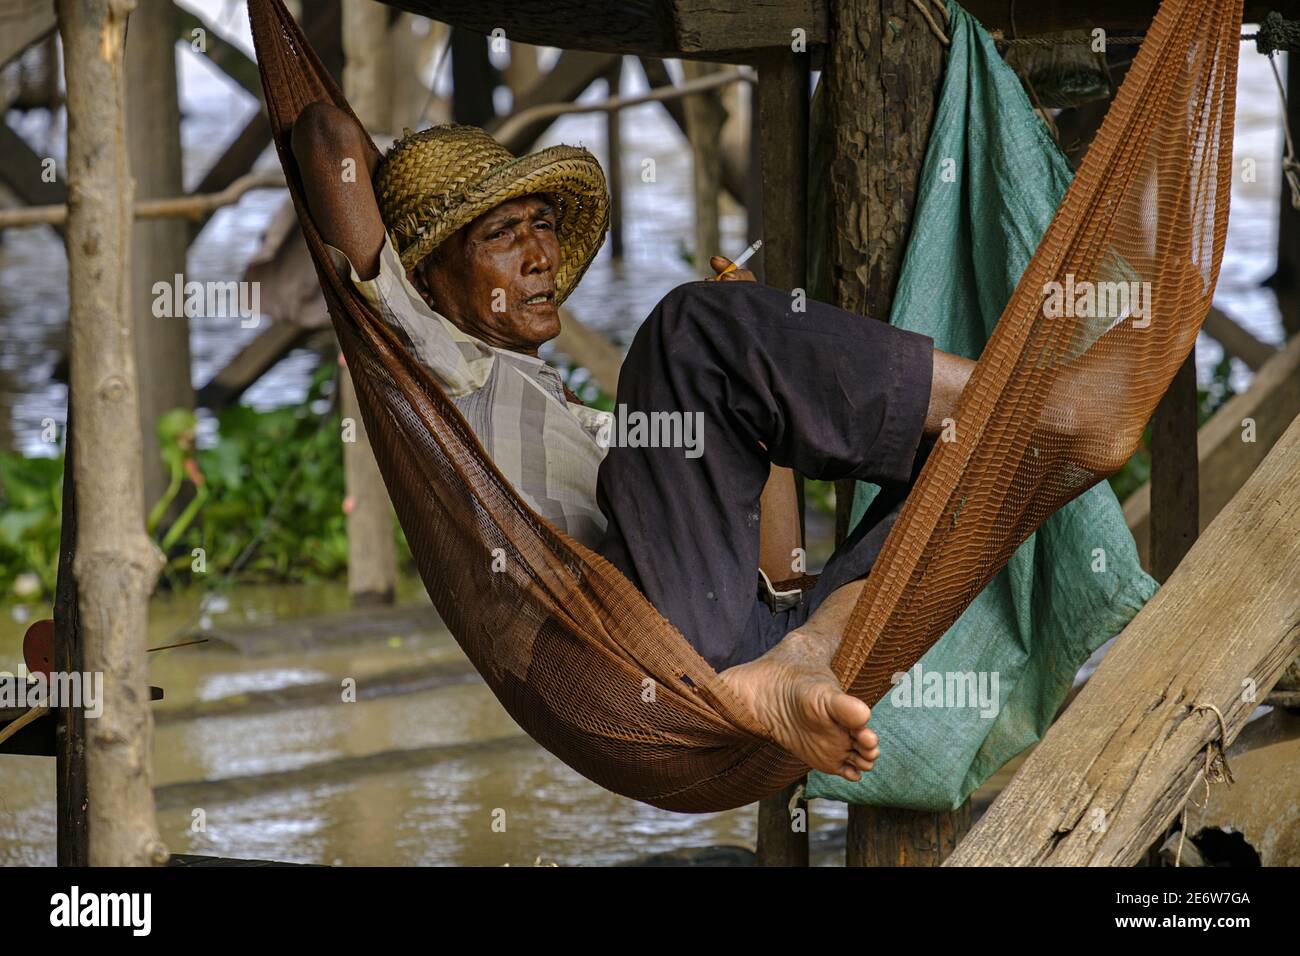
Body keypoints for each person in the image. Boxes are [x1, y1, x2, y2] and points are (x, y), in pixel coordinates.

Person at [291, 106, 979, 783]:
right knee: (686, 327)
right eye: (501, 233)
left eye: (543, 226)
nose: (540, 257)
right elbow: (325, 131)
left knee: (959, 453)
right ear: (423, 283)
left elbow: (778, 575)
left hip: (747, 647)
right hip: (633, 657)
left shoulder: (585, 427)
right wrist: (413, 204)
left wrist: (756, 417)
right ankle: (1002, 391)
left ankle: (810, 649)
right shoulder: (431, 361)